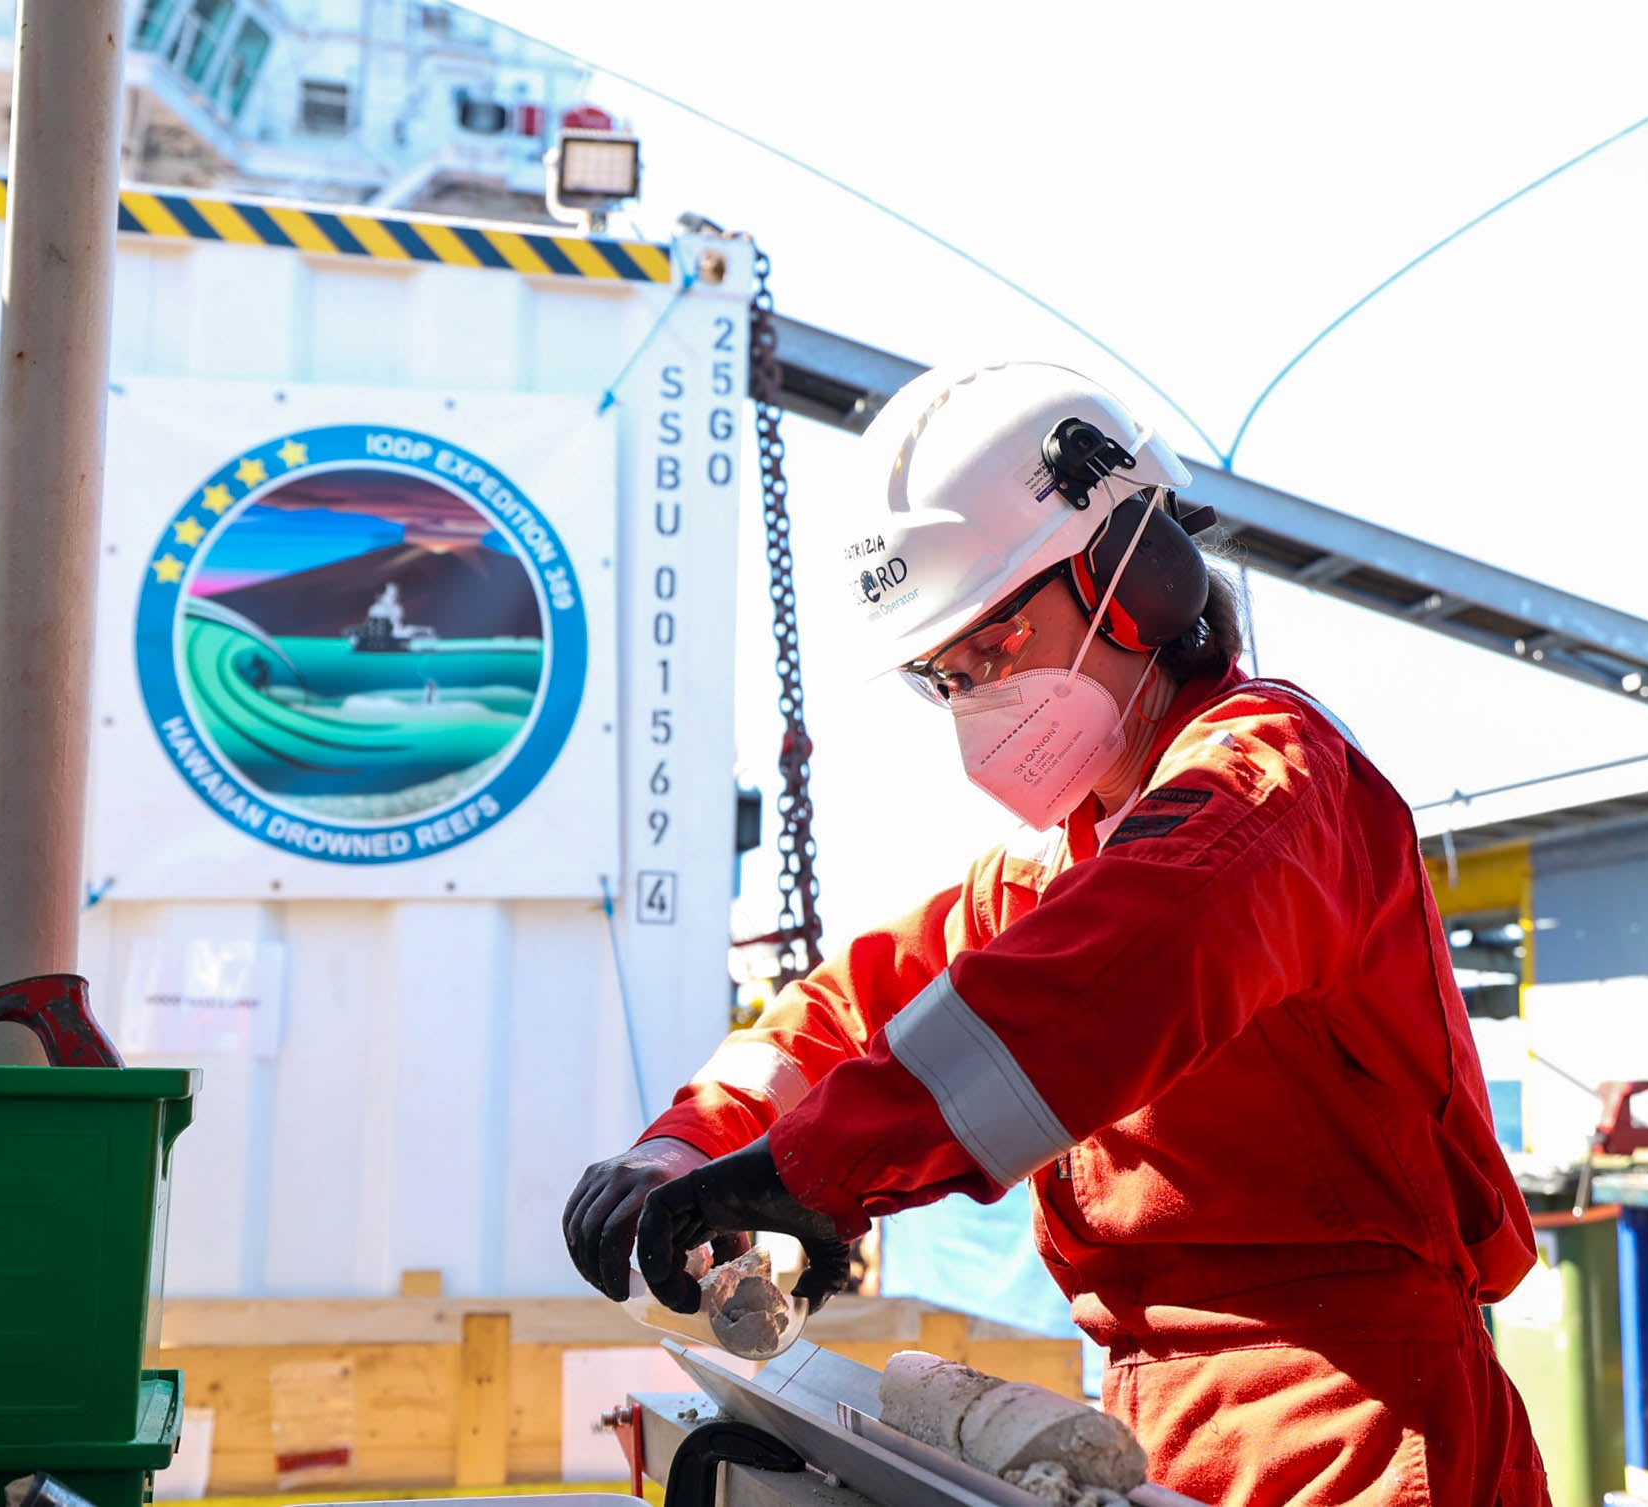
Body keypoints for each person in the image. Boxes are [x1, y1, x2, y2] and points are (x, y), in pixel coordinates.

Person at [564, 363, 1548, 1507]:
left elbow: (1114, 976)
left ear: (1134, 579)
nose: (973, 699)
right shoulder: (1055, 868)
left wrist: (813, 1173)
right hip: (1156, 1407)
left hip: (1354, 1417)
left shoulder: (1268, 780)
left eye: (994, 647)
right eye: (944, 676)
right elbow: (852, 1009)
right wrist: (691, 1146)